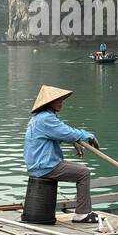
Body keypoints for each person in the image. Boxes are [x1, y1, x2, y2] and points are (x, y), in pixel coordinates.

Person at [24, 85, 100, 223]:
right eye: (58, 100)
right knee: (84, 173)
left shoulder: (39, 118)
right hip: (45, 166)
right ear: (49, 103)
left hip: (39, 164)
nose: (61, 103)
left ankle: (82, 211)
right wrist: (88, 136)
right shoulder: (46, 118)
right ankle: (82, 214)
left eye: (61, 100)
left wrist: (74, 142)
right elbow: (66, 132)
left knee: (81, 170)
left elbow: (56, 135)